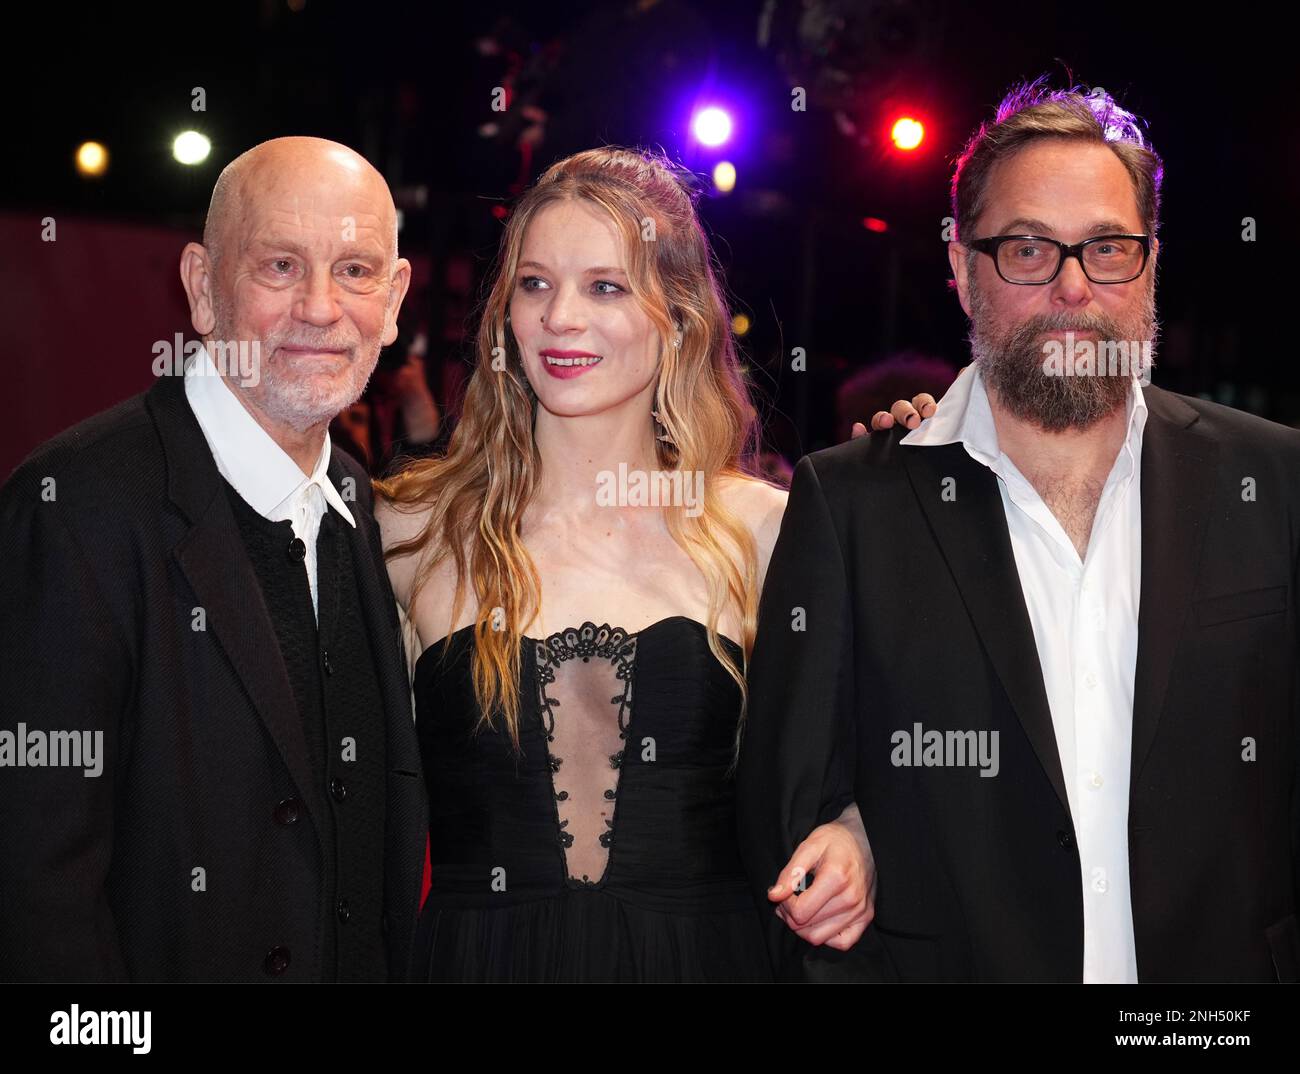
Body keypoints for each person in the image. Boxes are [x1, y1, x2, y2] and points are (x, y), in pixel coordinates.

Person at [737, 78, 1300, 982]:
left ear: (1150, 262)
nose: (1074, 286)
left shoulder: (1272, 480)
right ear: (961, 269)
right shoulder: (851, 507)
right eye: (1030, 249)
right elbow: (788, 836)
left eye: (1109, 248)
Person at [375, 147, 874, 981]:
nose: (561, 317)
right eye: (534, 285)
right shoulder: (410, 529)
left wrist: (856, 838)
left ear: (677, 316)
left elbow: (864, 758)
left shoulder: (763, 531)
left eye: (605, 286)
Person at [0, 137, 427, 981]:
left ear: (396, 298)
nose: (319, 307)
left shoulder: (361, 501)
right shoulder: (75, 506)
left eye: (355, 270)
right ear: (202, 286)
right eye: (279, 265)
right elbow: (34, 886)